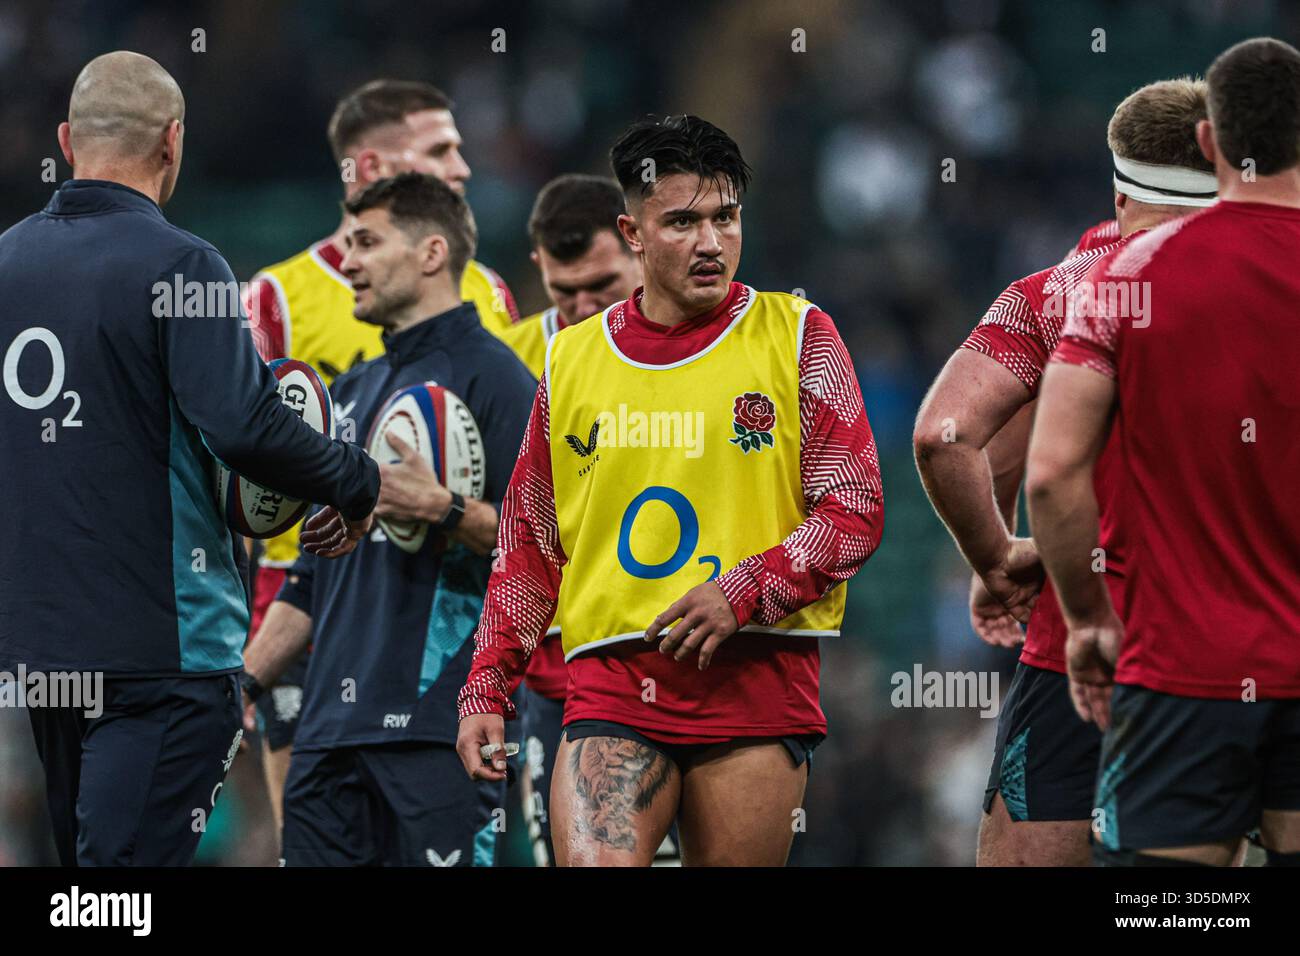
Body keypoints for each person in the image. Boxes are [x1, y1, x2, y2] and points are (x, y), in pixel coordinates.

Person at [456, 115, 883, 866]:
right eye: (682, 221)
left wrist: (743, 590)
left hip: (754, 684)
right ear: (633, 232)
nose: (711, 242)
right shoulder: (573, 361)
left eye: (725, 218)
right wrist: (487, 688)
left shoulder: (799, 334)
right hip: (612, 686)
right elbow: (529, 542)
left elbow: (854, 509)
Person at [0, 51, 378, 866]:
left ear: (67, 140)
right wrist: (354, 479)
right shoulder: (183, 265)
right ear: (173, 143)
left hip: (42, 654)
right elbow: (243, 427)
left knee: (92, 891)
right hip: (165, 655)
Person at [913, 78, 1217, 865]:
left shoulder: (1058, 293)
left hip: (1086, 637)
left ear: (1119, 191)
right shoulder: (1275, 290)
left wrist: (996, 554)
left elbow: (945, 437)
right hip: (1249, 637)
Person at [1029, 37, 1300, 866]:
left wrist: (1085, 623)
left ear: (1210, 144)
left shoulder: (1129, 277)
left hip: (1183, 674)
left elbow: (1049, 475)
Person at [240, 79, 519, 829]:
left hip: (443, 647)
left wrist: (441, 508)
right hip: (315, 625)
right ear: (367, 167)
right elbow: (250, 487)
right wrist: (243, 672)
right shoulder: (279, 299)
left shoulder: (490, 306)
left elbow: (536, 516)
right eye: (439, 150)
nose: (461, 166)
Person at [495, 173, 643, 865]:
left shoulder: (696, 351)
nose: (583, 308)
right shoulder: (510, 364)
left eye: (603, 287)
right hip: (554, 669)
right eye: (564, 292)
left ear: (638, 246)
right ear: (538, 270)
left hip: (674, 650)